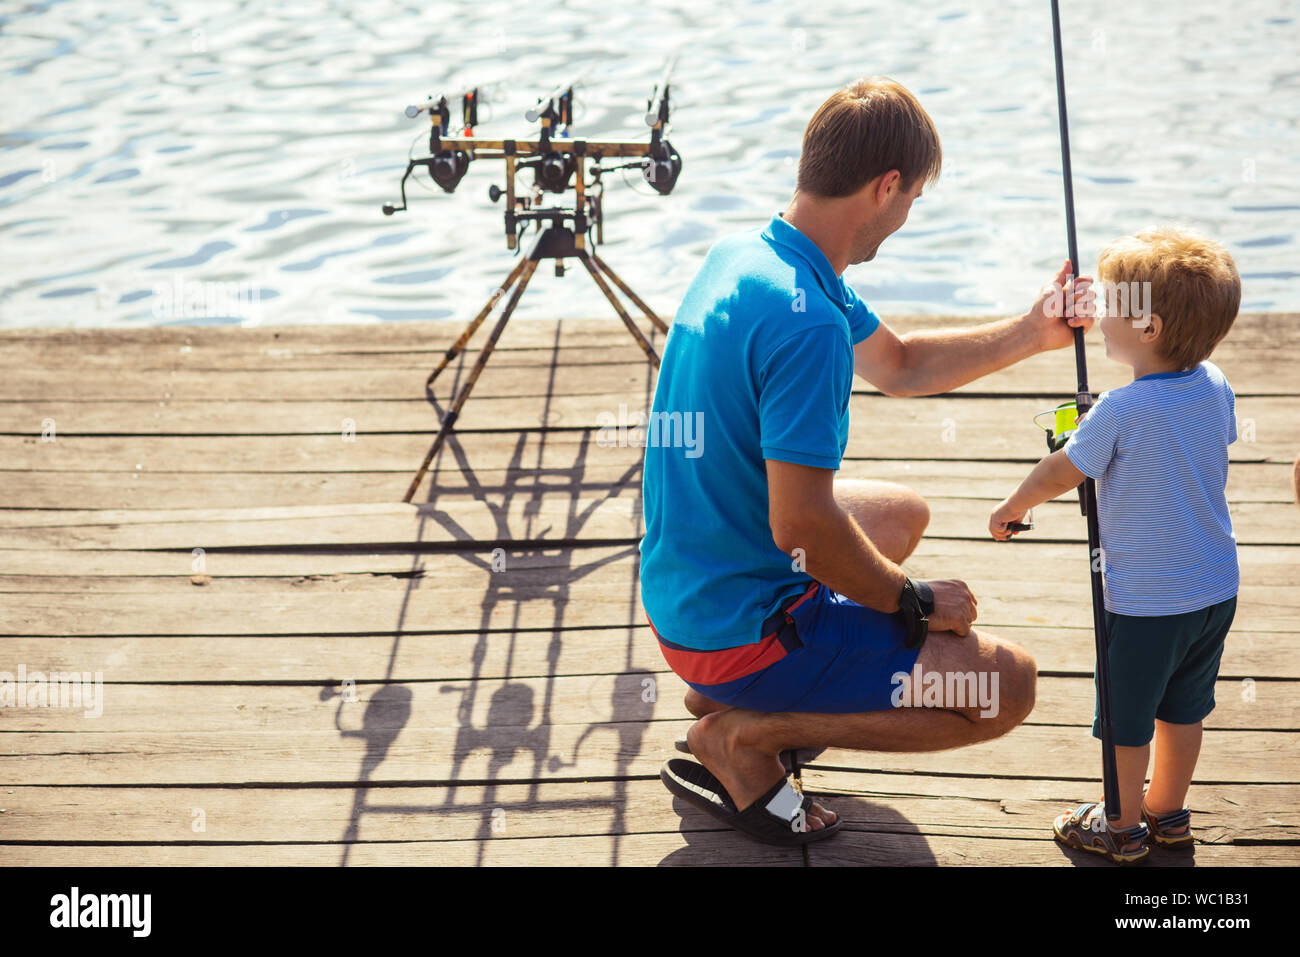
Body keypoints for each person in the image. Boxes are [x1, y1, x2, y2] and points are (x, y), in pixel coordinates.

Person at [639, 76, 1094, 845]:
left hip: (683, 588)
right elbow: (804, 526)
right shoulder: (808, 323)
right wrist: (912, 601)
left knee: (901, 512)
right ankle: (744, 733)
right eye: (913, 198)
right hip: (736, 625)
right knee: (1003, 686)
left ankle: (726, 696)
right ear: (886, 187)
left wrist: (1030, 331)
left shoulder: (754, 255)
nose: (909, 214)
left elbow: (904, 363)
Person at [990, 226, 1242, 863]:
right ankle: (1168, 812)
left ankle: (1121, 825)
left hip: (1145, 605)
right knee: (1185, 707)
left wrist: (1013, 506)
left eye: (1112, 304)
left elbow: (1062, 471)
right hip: (1215, 589)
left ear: (1149, 328)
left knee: (1126, 720)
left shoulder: (1118, 411)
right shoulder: (1216, 385)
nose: (1098, 313)